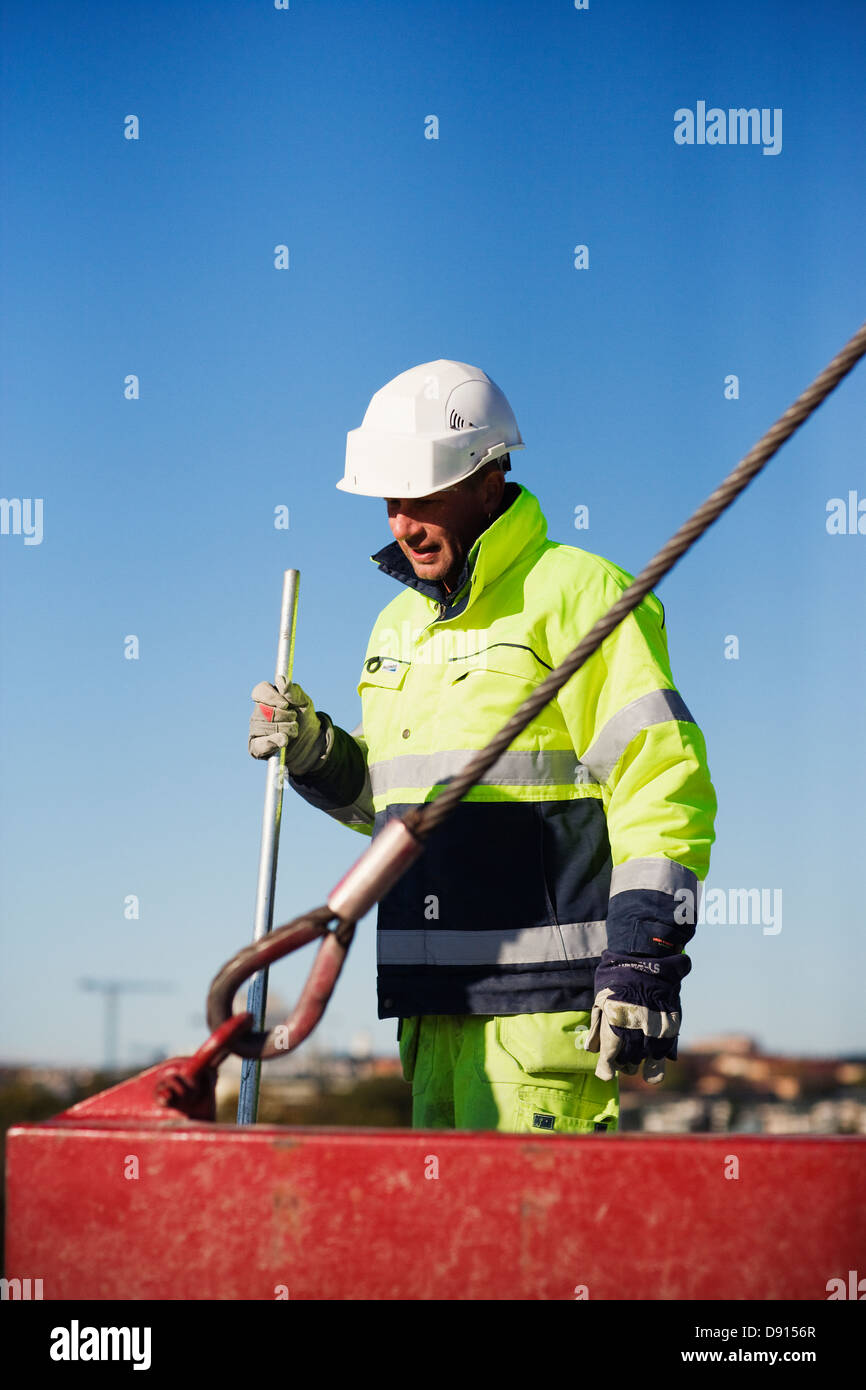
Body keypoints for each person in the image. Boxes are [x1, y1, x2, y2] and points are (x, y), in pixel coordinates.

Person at [248, 360, 717, 1133]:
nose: (401, 523)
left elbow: (661, 779)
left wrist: (645, 953)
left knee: (532, 1252)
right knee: (444, 1252)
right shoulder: (396, 627)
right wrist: (314, 752)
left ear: (488, 477)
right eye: (391, 501)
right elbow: (397, 809)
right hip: (432, 1013)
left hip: (544, 1020)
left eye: (421, 495)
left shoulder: (582, 594)